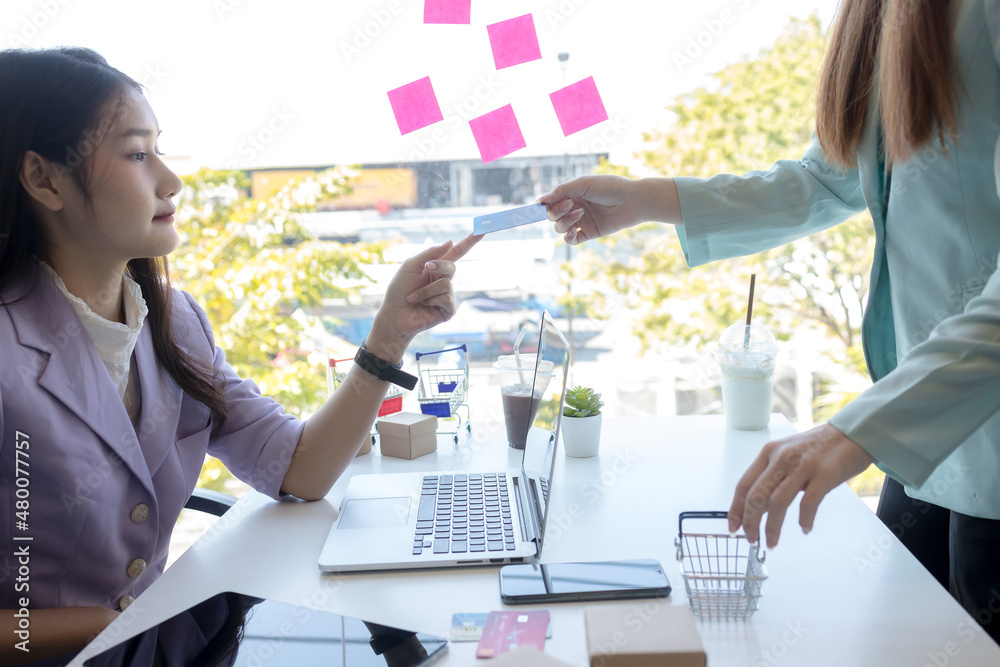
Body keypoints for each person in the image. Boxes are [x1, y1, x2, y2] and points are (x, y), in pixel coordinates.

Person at [0, 46, 480, 665]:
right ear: (43, 179)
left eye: (159, 150)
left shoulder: (172, 320)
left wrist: (390, 334)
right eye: (137, 153)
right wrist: (107, 624)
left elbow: (297, 470)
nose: (171, 181)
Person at [540, 0, 1000, 644]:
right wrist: (644, 200)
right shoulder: (882, 15)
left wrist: (855, 430)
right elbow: (825, 180)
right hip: (925, 445)